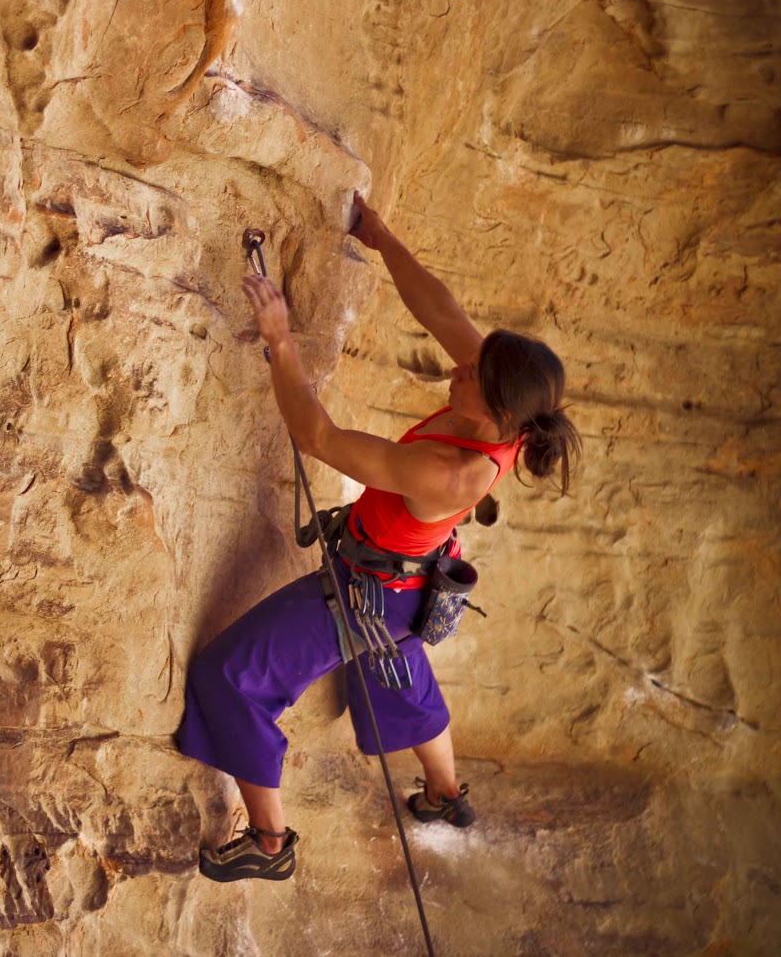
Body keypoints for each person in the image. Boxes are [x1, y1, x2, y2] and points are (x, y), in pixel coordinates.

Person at [176, 193, 581, 883]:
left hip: (365, 588)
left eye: (469, 377)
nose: (455, 368)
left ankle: (270, 844)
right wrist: (381, 235)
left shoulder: (450, 472)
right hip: (413, 576)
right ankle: (445, 793)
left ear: (501, 410)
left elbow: (319, 436)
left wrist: (278, 337)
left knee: (229, 678)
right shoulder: (509, 411)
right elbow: (441, 310)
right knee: (396, 664)